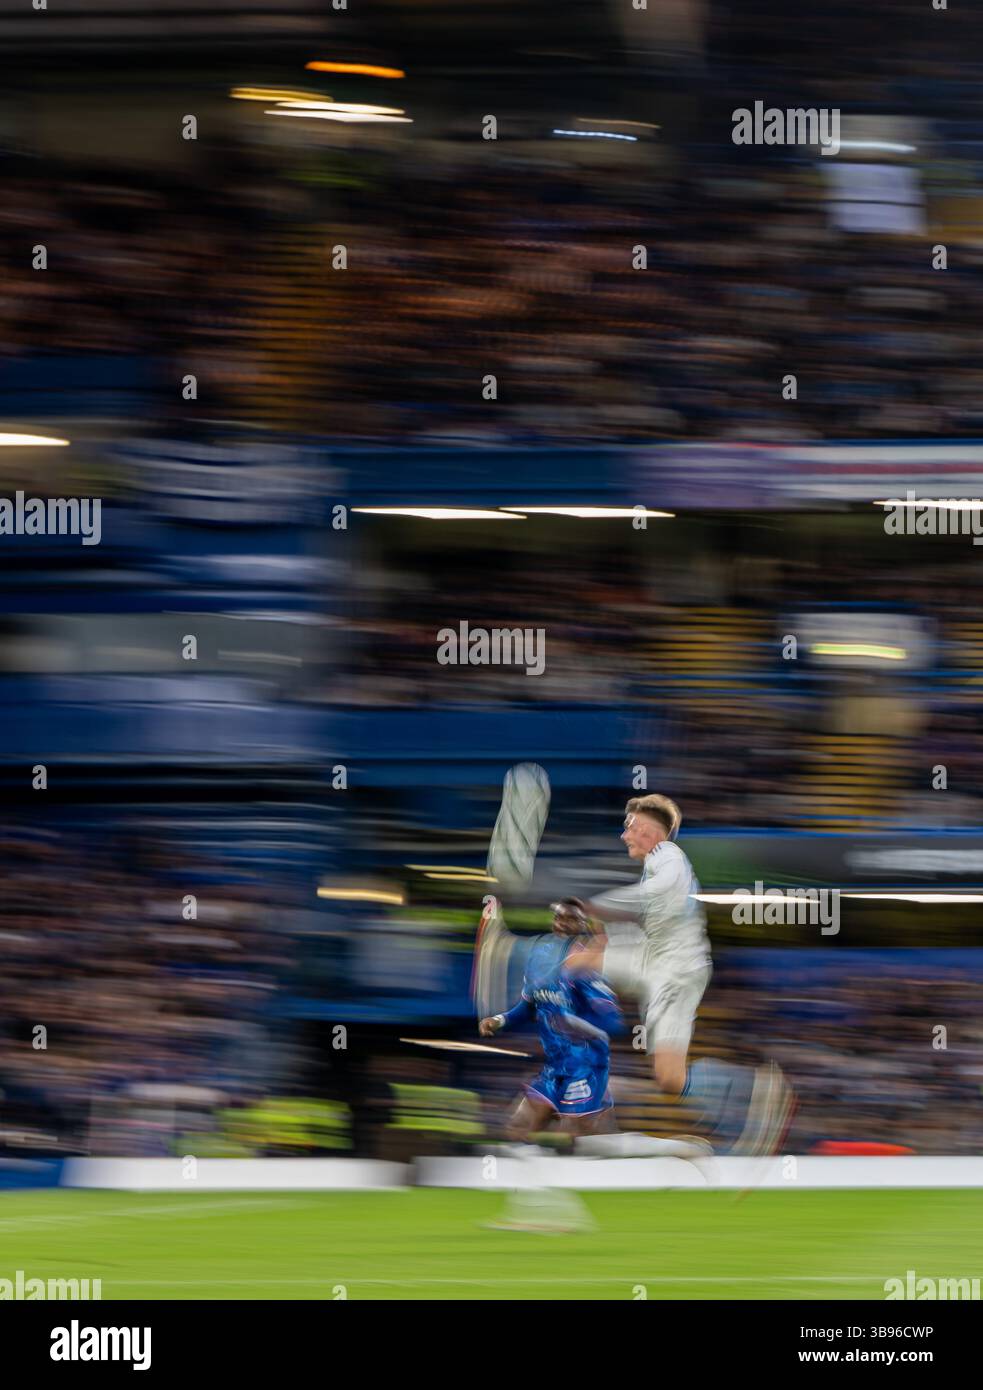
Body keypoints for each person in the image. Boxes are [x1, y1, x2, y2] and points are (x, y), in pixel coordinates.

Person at [565, 793, 793, 1156]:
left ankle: (750, 1092)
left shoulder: (667, 857)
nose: (624, 836)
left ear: (649, 831)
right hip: (658, 962)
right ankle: (747, 1095)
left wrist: (595, 906)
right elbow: (645, 915)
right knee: (669, 1079)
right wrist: (599, 925)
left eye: (630, 828)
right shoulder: (659, 864)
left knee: (579, 961)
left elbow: (649, 897)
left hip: (671, 969)